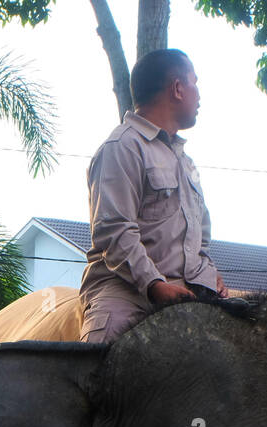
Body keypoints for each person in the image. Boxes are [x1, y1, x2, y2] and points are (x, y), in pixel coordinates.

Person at [79, 48, 226, 343]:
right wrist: (155, 284)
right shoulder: (122, 146)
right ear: (177, 89)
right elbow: (114, 231)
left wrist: (210, 275)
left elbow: (201, 238)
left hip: (187, 291)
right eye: (195, 83)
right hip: (127, 291)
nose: (200, 95)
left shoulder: (185, 161)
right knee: (103, 362)